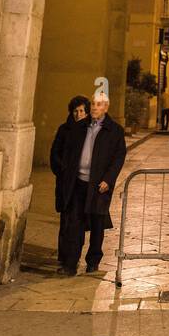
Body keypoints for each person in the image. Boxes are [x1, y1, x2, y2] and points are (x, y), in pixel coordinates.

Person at [56, 93, 127, 276]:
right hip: (78, 183)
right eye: (93, 104)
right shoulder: (80, 127)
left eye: (99, 105)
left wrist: (108, 180)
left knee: (97, 224)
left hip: (98, 185)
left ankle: (93, 260)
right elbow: (68, 152)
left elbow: (118, 158)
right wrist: (66, 172)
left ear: (106, 107)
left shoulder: (115, 131)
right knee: (74, 224)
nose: (94, 108)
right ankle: (71, 264)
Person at [49, 94, 90, 266]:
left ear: (87, 112)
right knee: (65, 219)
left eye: (81, 111)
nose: (78, 114)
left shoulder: (90, 132)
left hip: (81, 184)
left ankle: (72, 258)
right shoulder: (64, 129)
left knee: (76, 221)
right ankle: (63, 255)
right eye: (75, 111)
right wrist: (63, 170)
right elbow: (54, 153)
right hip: (66, 183)